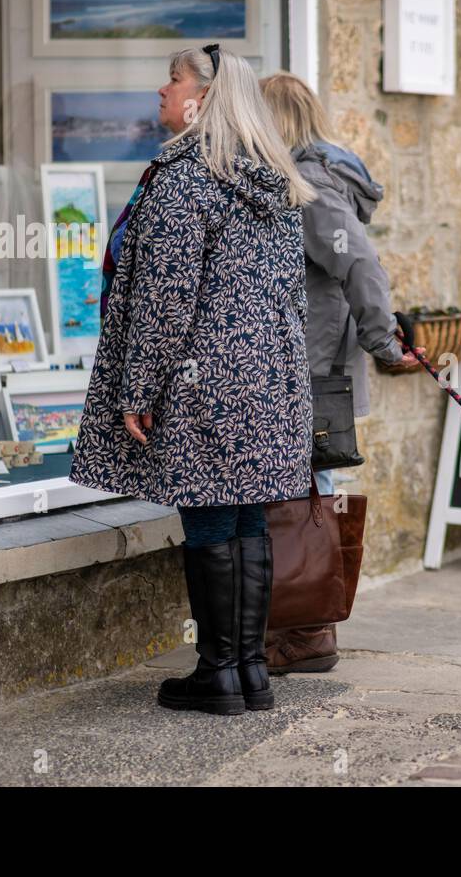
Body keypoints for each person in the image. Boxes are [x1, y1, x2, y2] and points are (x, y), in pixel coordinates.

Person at [70, 44, 317, 716]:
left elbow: (164, 298)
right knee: (245, 517)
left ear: (201, 98)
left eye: (173, 79)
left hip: (202, 380)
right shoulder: (272, 181)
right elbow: (294, 296)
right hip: (264, 379)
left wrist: (137, 390)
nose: (161, 89)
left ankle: (219, 673)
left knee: (211, 513)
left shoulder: (186, 179)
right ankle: (249, 672)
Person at [258, 70, 421, 673]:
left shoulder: (309, 184)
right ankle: (299, 626)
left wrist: (383, 342)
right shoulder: (309, 178)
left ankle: (306, 633)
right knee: (307, 495)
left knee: (307, 500)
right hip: (309, 365)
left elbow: (361, 266)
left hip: (313, 370)